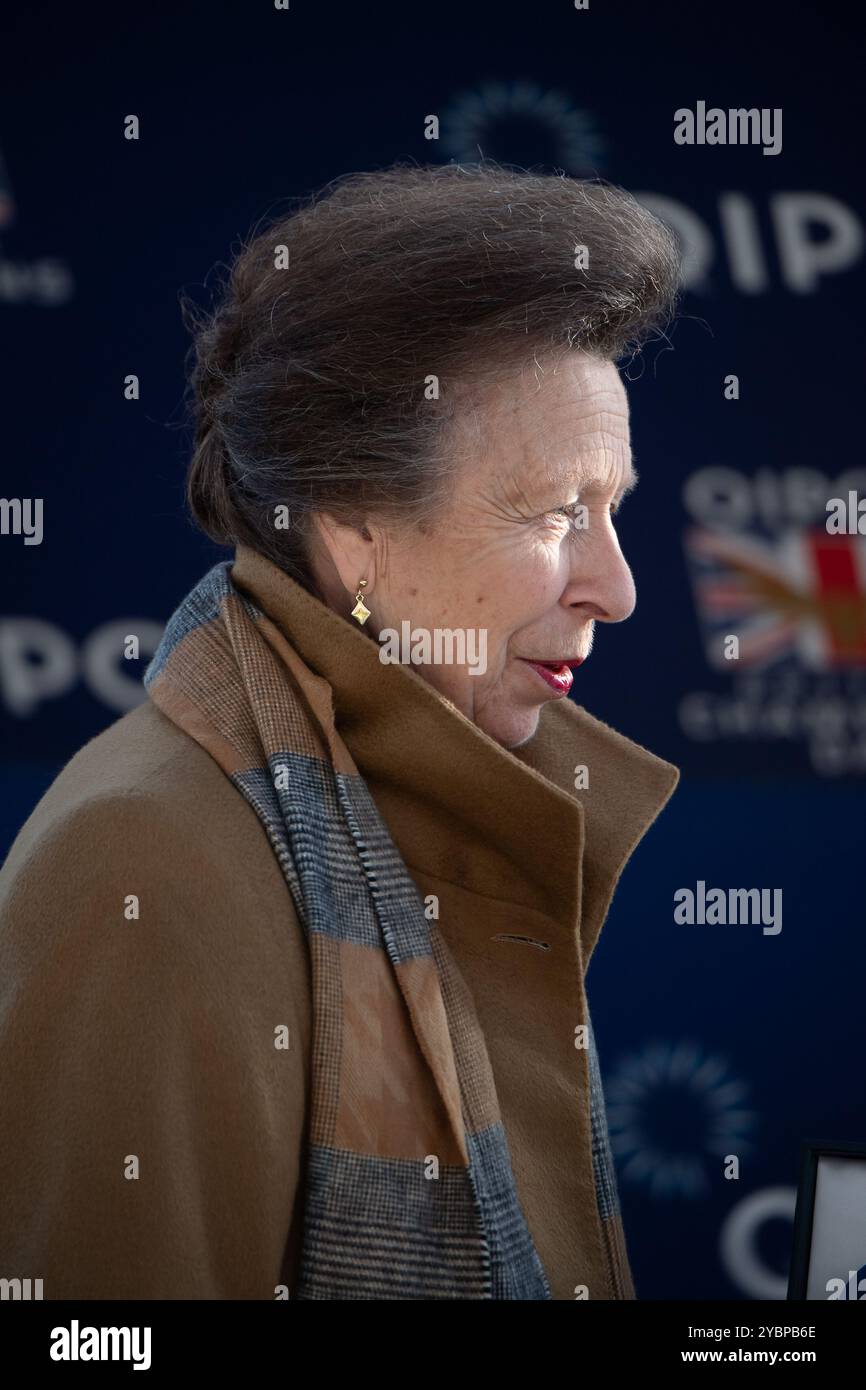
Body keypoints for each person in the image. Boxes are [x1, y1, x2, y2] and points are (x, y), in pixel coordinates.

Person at [0, 162, 681, 1300]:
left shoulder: (431, 795)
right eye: (556, 511)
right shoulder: (142, 861)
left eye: (611, 508)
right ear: (350, 518)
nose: (615, 587)